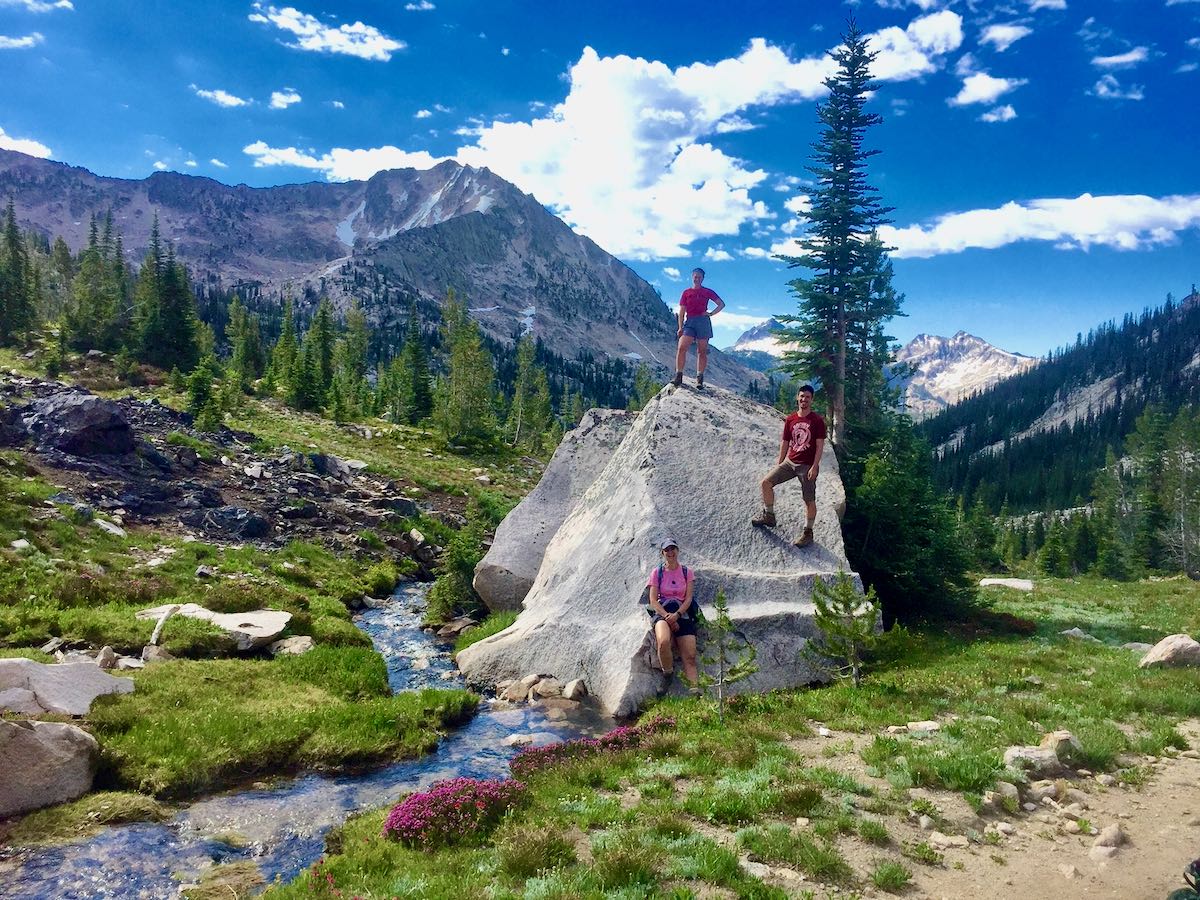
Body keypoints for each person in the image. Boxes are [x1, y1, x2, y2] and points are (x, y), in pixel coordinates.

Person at [751, 384, 827, 548]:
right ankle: (769, 516)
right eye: (801, 396)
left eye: (807, 397)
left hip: (806, 465)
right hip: (790, 461)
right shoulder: (791, 419)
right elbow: (785, 442)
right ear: (797, 398)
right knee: (766, 483)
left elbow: (820, 446)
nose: (804, 399)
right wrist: (780, 462)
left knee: (808, 499)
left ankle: (808, 532)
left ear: (811, 399)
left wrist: (815, 466)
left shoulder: (817, 421)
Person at [646, 538, 699, 685]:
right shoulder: (657, 572)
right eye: (667, 550)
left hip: (681, 612)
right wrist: (667, 617)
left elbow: (688, 599)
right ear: (662, 553)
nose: (670, 552)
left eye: (672, 549)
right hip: (663, 612)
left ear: (677, 550)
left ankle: (696, 694)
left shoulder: (687, 572)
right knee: (663, 642)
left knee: (690, 657)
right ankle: (667, 673)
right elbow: (653, 600)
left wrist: (677, 615)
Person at [672, 268, 725, 390]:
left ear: (703, 279)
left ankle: (699, 378)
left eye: (699, 277)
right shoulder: (686, 293)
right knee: (681, 347)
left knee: (702, 351)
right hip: (690, 321)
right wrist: (680, 327)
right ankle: (678, 376)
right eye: (695, 277)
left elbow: (721, 304)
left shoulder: (707, 291)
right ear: (692, 277)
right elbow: (682, 311)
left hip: (703, 321)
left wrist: (711, 314)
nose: (697, 279)